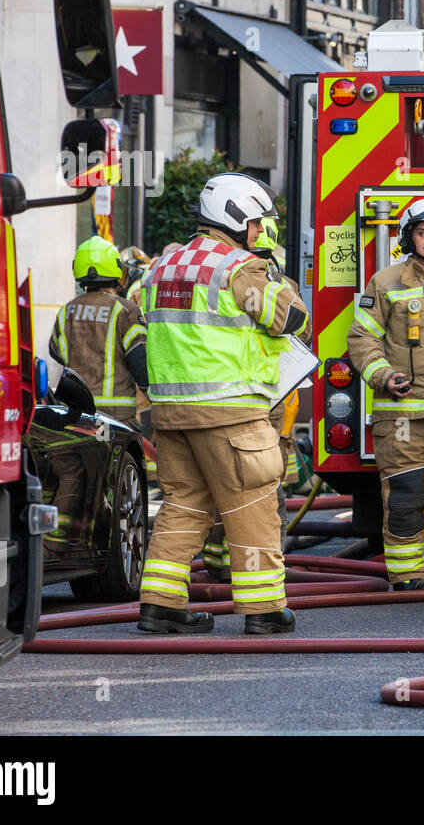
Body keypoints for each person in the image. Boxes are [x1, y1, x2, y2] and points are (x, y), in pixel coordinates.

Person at [136, 173, 311, 635]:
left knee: (184, 505)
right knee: (251, 509)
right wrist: (271, 267)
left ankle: (160, 604)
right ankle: (264, 609)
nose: (261, 234)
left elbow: (136, 325)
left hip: (172, 415)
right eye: (257, 224)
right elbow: (291, 318)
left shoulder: (163, 265)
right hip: (231, 412)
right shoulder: (237, 269)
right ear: (233, 217)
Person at [347, 197, 424, 589]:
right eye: (422, 232)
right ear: (408, 237)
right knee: (404, 496)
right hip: (400, 412)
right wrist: (383, 375)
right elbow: (362, 338)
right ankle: (405, 578)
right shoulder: (385, 282)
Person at [200, 215, 302, 580]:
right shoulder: (282, 286)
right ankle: (264, 569)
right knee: (262, 491)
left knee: (222, 486)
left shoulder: (223, 276)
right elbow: (299, 327)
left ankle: (220, 559)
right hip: (264, 399)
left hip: (231, 398)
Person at [49, 236, 148, 428]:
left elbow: (56, 352)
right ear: (116, 268)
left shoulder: (67, 311)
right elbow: (139, 361)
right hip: (116, 418)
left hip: (75, 415)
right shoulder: (126, 311)